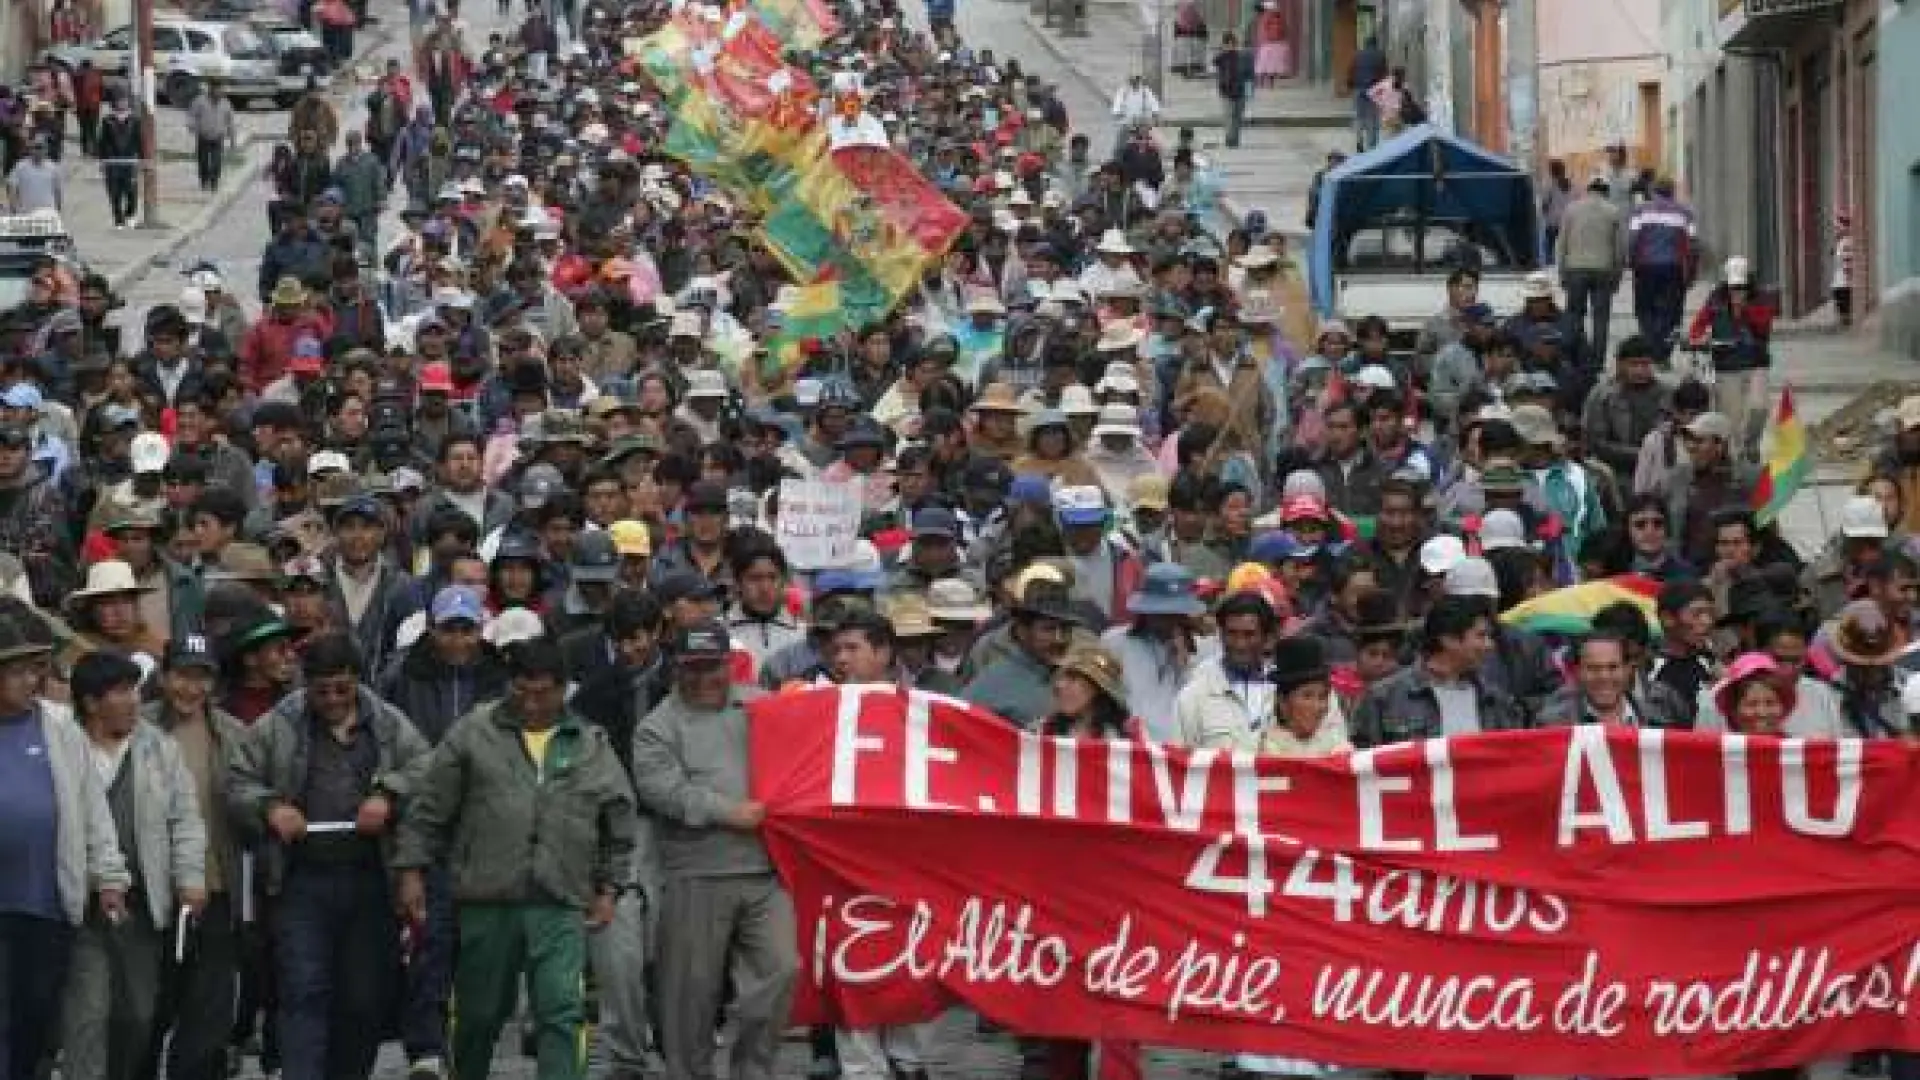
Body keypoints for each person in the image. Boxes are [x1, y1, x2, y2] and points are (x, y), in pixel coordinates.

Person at [396, 635, 637, 1080]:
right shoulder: (472, 732)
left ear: (563, 688)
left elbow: (618, 823)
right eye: (521, 691)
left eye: (542, 693)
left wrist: (609, 888)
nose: (530, 704)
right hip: (487, 896)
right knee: (478, 1013)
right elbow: (429, 807)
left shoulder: (590, 743)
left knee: (561, 1010)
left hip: (560, 897)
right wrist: (411, 870)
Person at [224, 633, 431, 1080]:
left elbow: (424, 770)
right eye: (322, 691)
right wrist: (270, 807)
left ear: (357, 680)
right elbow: (237, 782)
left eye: (342, 689)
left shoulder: (389, 723)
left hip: (370, 876)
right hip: (301, 878)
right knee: (303, 989)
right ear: (306, 684)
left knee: (363, 998)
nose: (333, 700)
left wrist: (388, 794)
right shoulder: (277, 726)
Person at [631, 620, 796, 1080]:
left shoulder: (762, 706)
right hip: (695, 872)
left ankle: (753, 1070)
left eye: (714, 666)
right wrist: (729, 812)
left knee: (783, 969)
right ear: (676, 669)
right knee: (690, 995)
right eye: (693, 667)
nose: (705, 677)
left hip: (767, 872)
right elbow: (663, 791)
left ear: (730, 664)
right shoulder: (656, 727)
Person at [59, 650, 206, 1080]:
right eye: (121, 691)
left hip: (140, 906)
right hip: (80, 907)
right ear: (91, 702)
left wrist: (190, 879)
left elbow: (185, 820)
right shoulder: (63, 747)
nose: (134, 700)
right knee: (88, 1015)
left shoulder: (159, 749)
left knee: (138, 1016)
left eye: (134, 690)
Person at [0, 614, 130, 1080]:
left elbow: (92, 809)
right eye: (16, 671)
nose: (30, 680)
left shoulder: (59, 727)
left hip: (45, 901)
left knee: (34, 1011)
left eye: (32, 669)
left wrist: (109, 877)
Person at [1556, 175, 1625, 363]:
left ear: (1588, 190)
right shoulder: (1613, 211)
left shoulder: (1571, 209)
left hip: (1575, 268)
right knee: (1601, 318)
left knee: (1574, 316)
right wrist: (1617, 276)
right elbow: (1620, 249)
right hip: (1603, 270)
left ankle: (1576, 356)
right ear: (1606, 192)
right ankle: (1597, 360)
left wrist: (1562, 272)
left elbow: (1561, 243)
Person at [186, 83, 237, 193]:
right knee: (203, 161)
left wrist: (232, 139)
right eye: (217, 90)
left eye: (221, 90)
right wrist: (193, 128)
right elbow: (191, 115)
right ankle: (204, 180)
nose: (219, 92)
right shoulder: (200, 101)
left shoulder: (226, 104)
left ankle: (214, 182)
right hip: (203, 136)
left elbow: (231, 121)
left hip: (218, 137)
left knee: (216, 161)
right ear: (211, 90)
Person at [1347, 35, 1386, 150]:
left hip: (1359, 89)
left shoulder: (1357, 55)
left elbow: (1351, 71)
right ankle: (1372, 144)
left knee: (1359, 116)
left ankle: (1359, 139)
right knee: (1372, 118)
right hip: (1374, 90)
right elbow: (1383, 73)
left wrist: (1350, 85)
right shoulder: (1380, 55)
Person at [1213, 33, 1250, 150]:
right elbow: (1214, 61)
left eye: (1232, 44)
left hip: (1241, 91)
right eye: (1228, 44)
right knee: (1229, 115)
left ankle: (1235, 140)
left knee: (1237, 117)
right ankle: (1229, 138)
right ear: (1224, 45)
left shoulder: (1242, 57)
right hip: (1226, 91)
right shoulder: (1221, 58)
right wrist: (1223, 51)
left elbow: (1248, 74)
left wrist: (1249, 91)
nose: (1230, 46)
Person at [9, 135, 62, 214]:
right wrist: (14, 207)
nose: (37, 151)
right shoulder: (20, 167)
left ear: (46, 150)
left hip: (48, 213)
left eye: (40, 148)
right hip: (26, 213)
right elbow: (12, 187)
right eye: (35, 148)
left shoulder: (53, 168)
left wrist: (58, 210)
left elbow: (57, 190)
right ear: (30, 149)